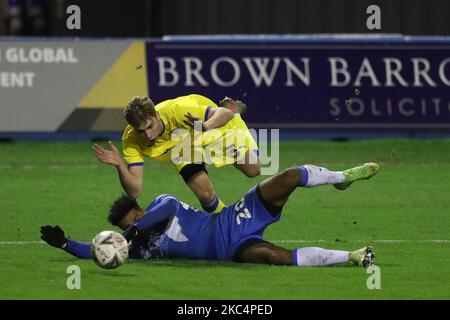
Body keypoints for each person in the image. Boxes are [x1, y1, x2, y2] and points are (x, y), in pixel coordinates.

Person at [41, 162, 380, 267]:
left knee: (288, 176)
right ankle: (351, 256)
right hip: (230, 252)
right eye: (128, 228)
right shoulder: (139, 248)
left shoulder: (161, 204)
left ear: (140, 211)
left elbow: (171, 207)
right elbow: (98, 251)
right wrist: (65, 243)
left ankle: (341, 179)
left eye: (133, 222)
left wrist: (133, 230)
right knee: (278, 258)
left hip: (233, 220)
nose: (134, 231)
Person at [93, 94, 259, 214]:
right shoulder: (131, 140)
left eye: (150, 126)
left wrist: (206, 126)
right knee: (205, 195)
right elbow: (135, 191)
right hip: (182, 145)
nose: (148, 136)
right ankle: (225, 221)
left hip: (209, 126)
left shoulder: (178, 111)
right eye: (141, 131)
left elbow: (224, 114)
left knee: (253, 170)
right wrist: (120, 166)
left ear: (157, 115)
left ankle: (234, 107)